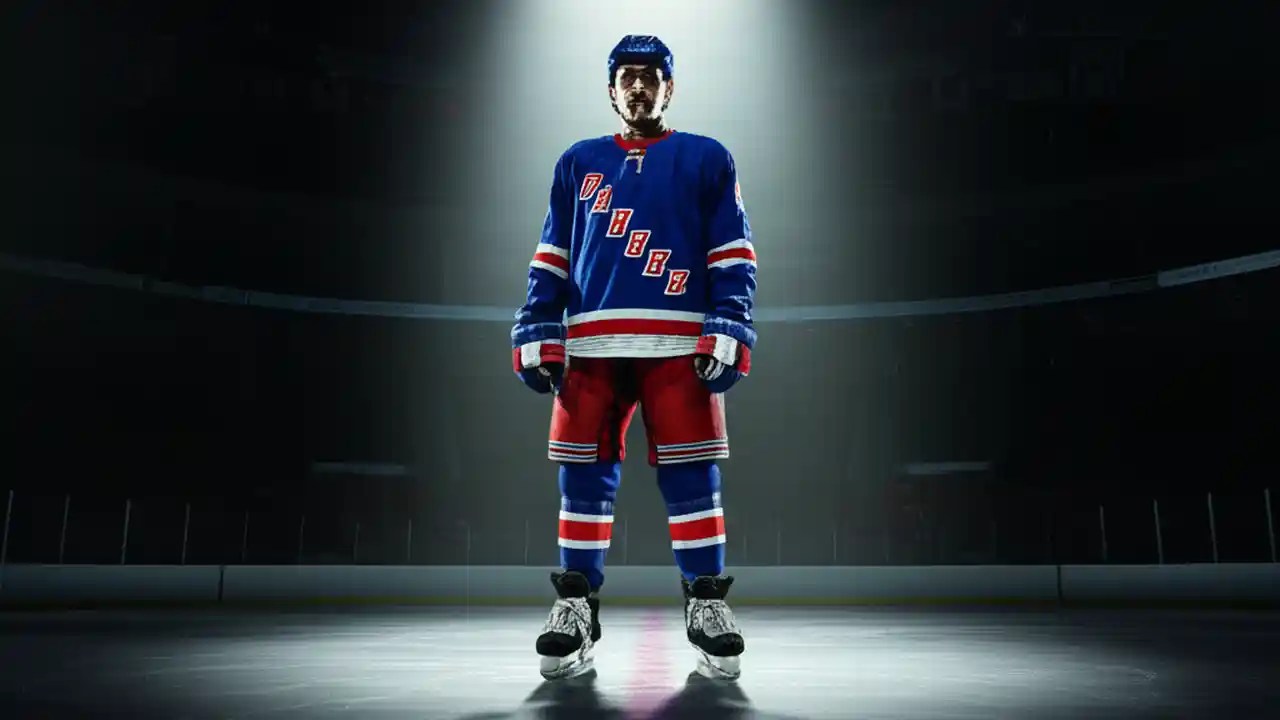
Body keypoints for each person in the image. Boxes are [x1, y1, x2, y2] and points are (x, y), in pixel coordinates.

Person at [510, 34, 757, 681]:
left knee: (692, 477)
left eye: (651, 76)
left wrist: (731, 321)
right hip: (591, 346)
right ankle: (575, 604)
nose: (639, 87)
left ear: (669, 87)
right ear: (610, 89)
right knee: (583, 479)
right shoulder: (577, 163)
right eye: (627, 77)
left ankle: (705, 604)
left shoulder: (707, 158)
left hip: (680, 344)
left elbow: (732, 253)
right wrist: (538, 320)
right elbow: (552, 255)